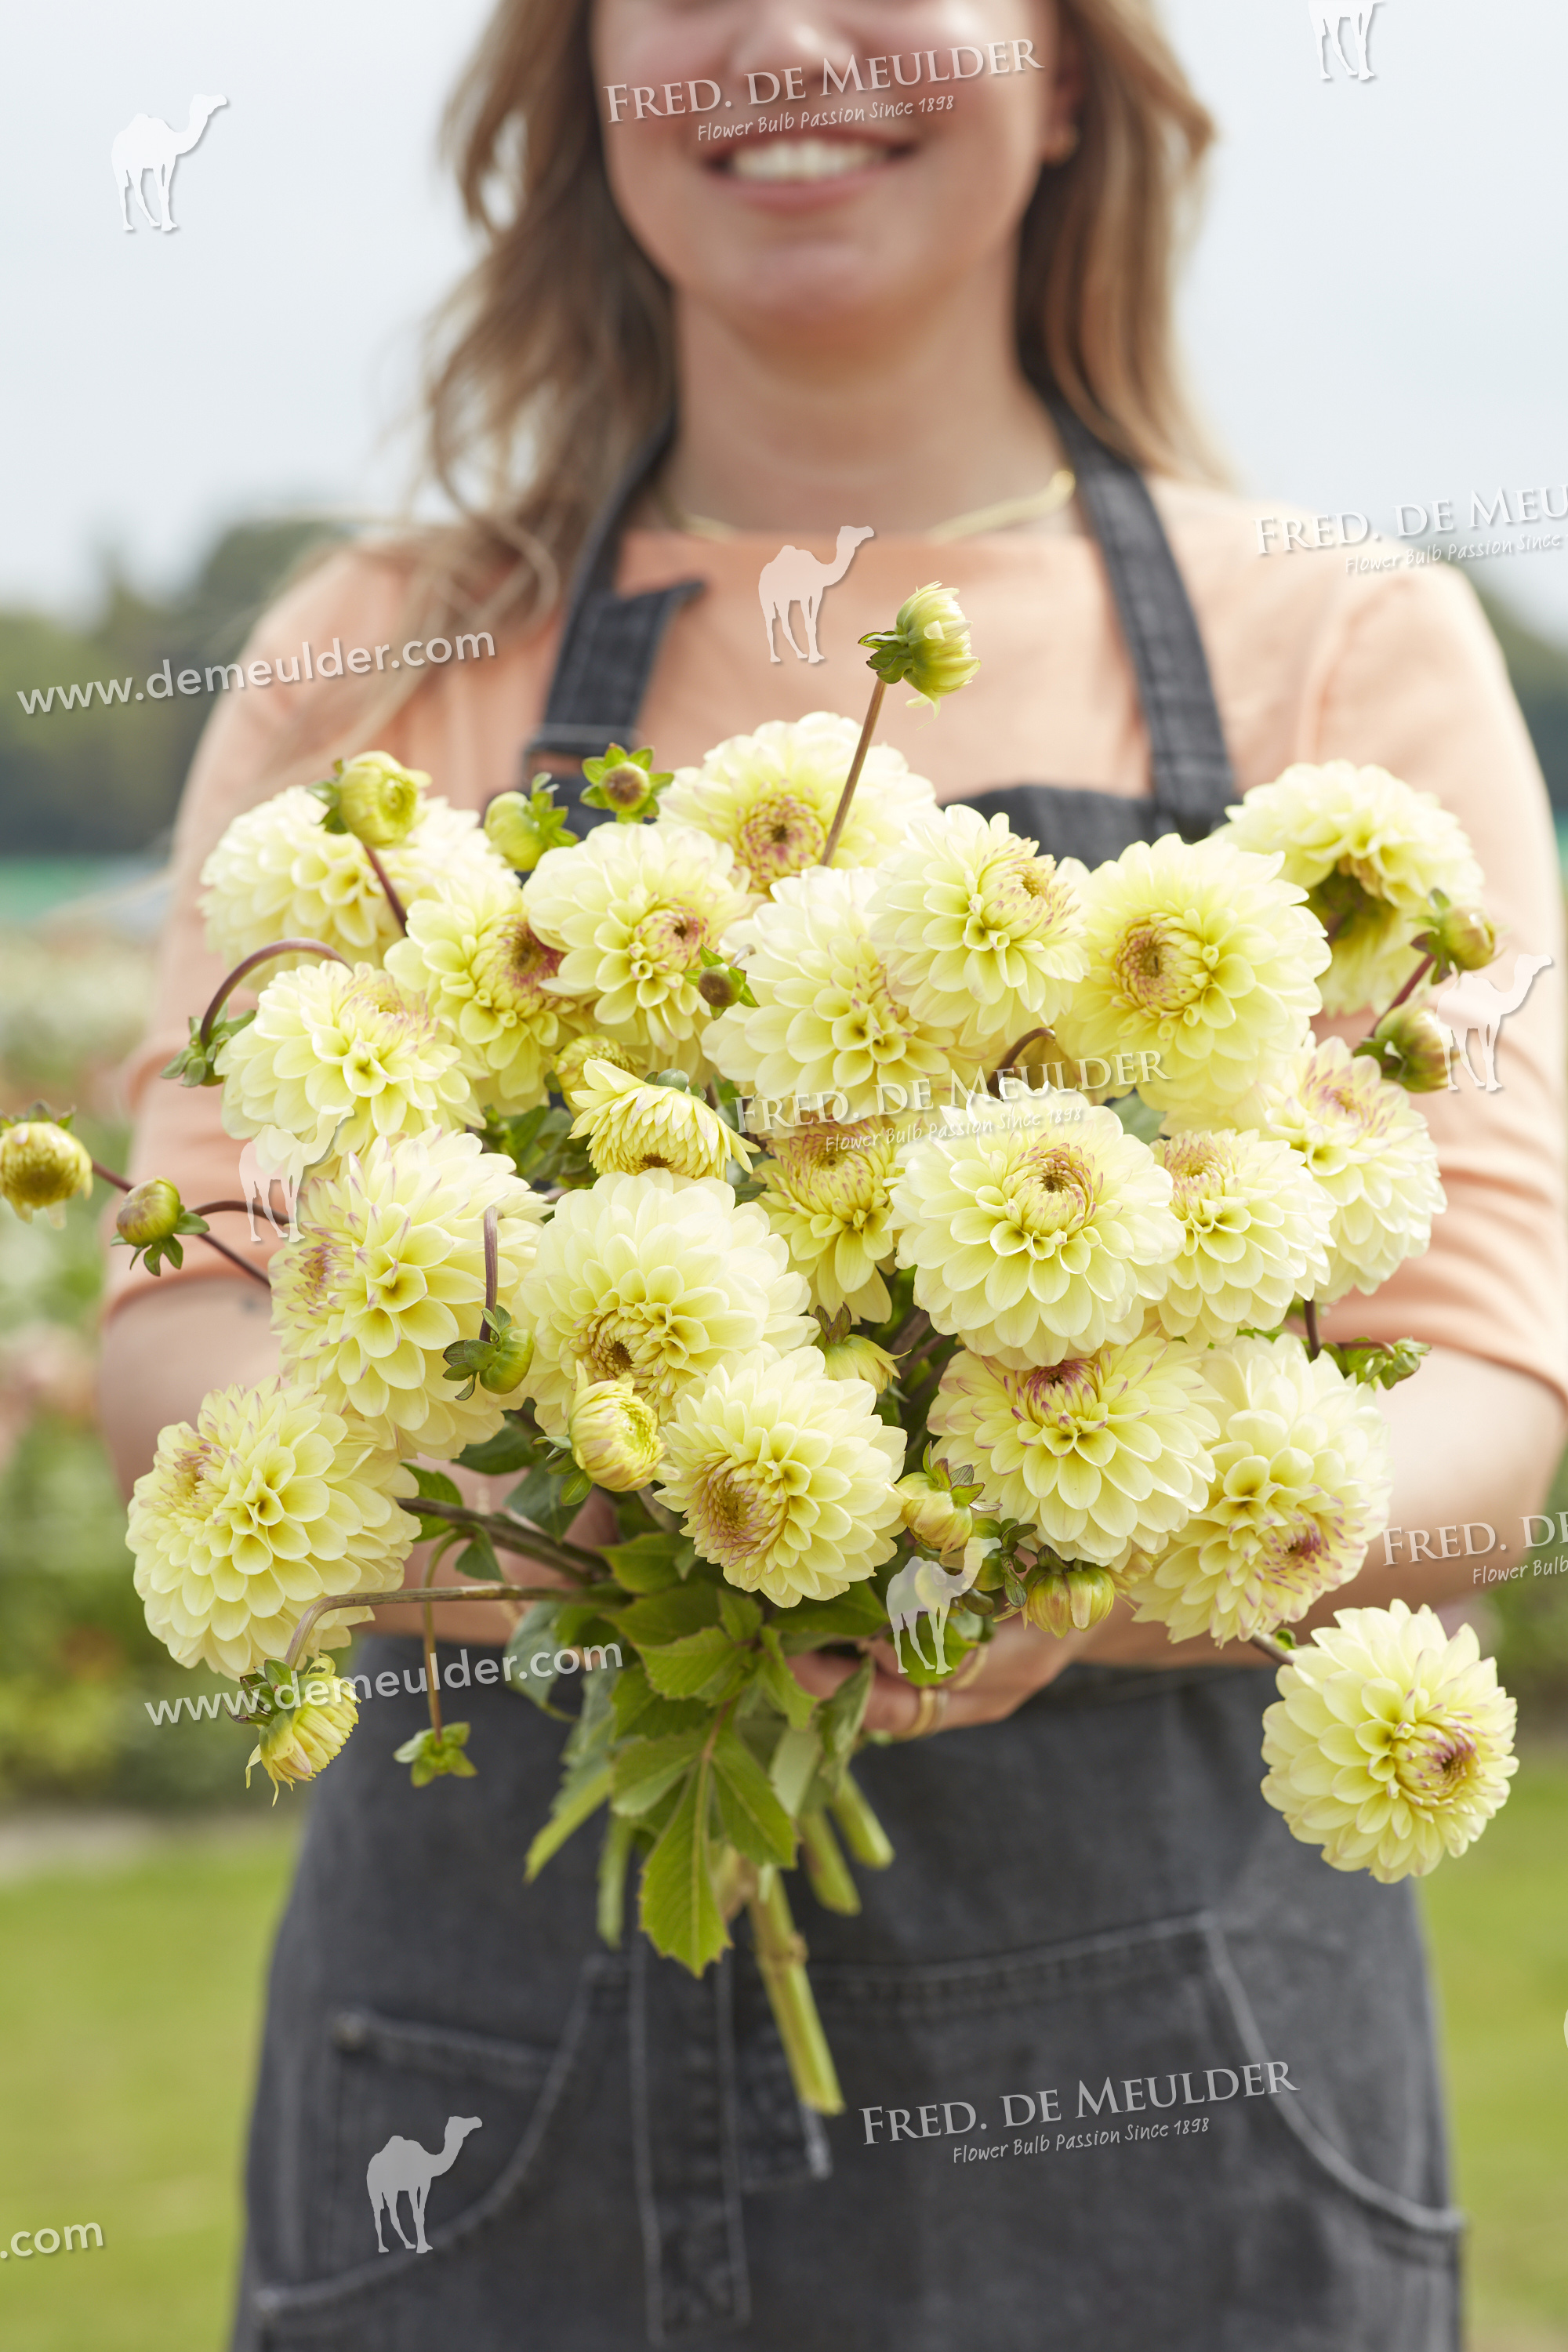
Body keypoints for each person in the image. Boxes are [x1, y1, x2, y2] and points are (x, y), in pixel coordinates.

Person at [99, 2, 1566, 2345]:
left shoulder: (1343, 647)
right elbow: (181, 1321)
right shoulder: (386, 657)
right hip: (486, 2126)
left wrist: (1065, 1559)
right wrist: (572, 1517)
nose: (779, 36)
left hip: (1178, 2124)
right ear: (586, 76)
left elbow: (1486, 1386)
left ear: (1070, 71)